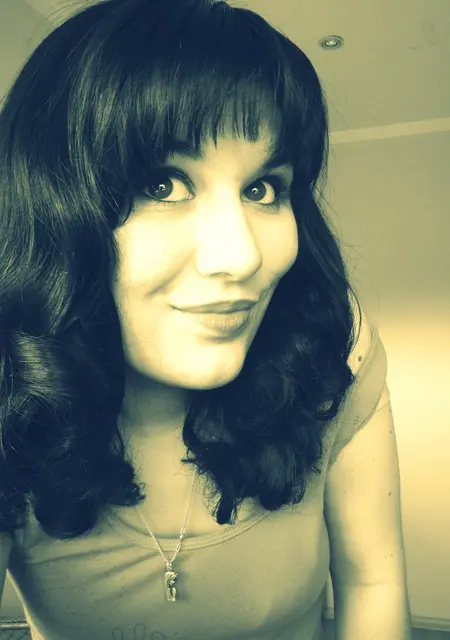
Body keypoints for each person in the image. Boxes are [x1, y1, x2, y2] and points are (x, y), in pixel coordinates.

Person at [0, 0, 411, 638]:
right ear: (45, 208)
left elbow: (372, 584)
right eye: (162, 185)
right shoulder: (12, 390)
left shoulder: (332, 348)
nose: (241, 256)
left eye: (262, 189)